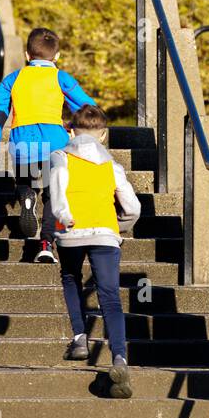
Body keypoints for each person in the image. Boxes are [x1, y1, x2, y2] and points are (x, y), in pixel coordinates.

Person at [0, 27, 96, 262]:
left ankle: (25, 194)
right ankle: (46, 244)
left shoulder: (14, 78)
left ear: (27, 55)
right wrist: (77, 130)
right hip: (55, 142)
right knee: (54, 194)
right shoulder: (61, 77)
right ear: (57, 57)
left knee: (26, 181)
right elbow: (87, 108)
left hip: (22, 142)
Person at [49, 103, 140, 399]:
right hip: (105, 233)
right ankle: (119, 357)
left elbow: (57, 193)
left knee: (71, 278)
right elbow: (133, 207)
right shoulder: (113, 166)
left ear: (70, 131)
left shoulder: (60, 157)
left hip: (71, 232)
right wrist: (119, 227)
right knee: (110, 297)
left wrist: (63, 218)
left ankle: (78, 337)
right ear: (103, 136)